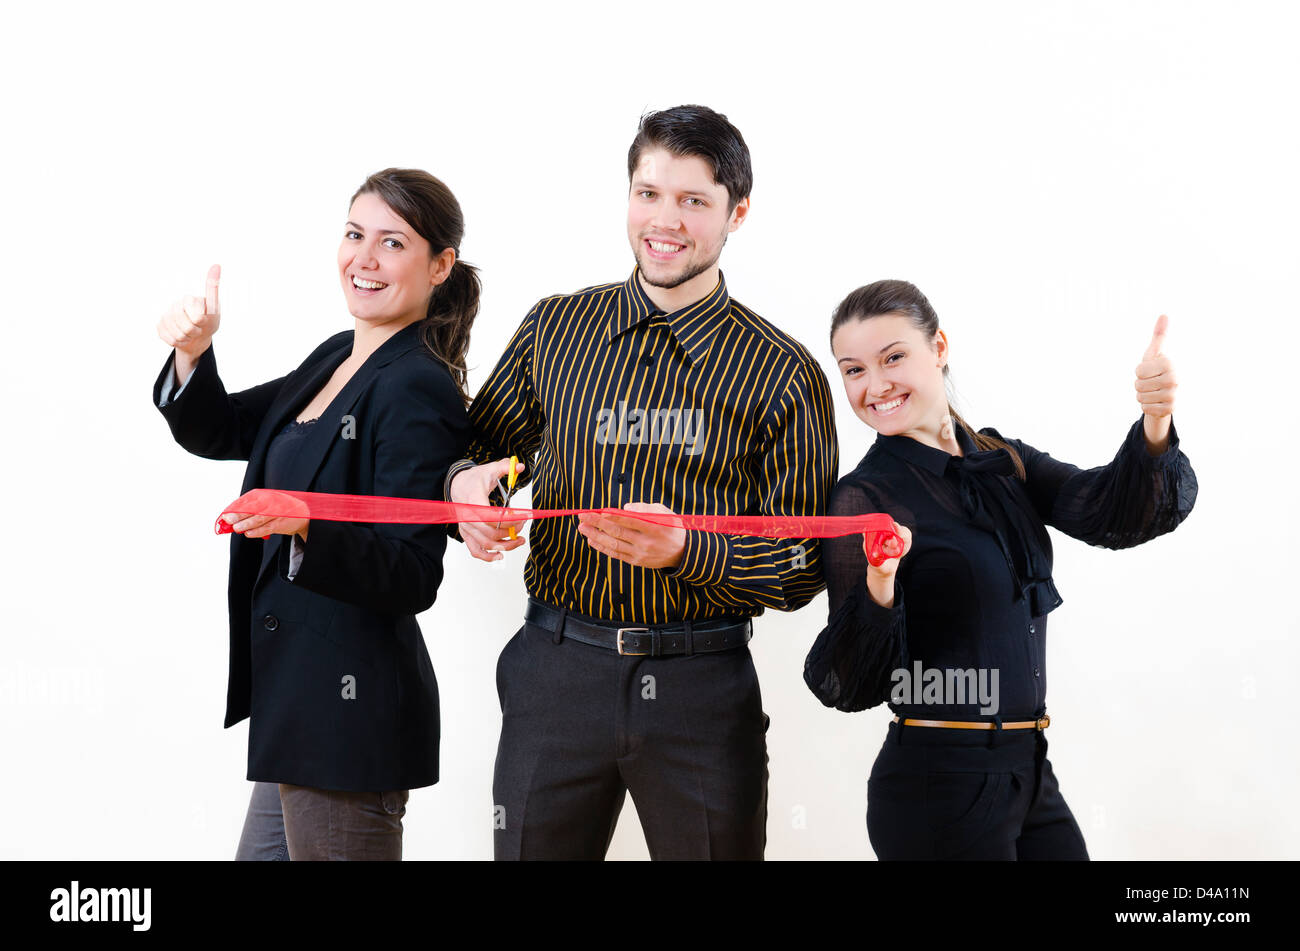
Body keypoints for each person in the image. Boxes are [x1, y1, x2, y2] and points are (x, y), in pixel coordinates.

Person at [444, 105, 839, 860]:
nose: (665, 220)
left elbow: (805, 562)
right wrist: (468, 486)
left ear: (737, 213)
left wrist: (690, 551)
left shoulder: (784, 374)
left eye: (694, 200)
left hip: (701, 687)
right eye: (648, 192)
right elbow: (481, 450)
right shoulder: (555, 329)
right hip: (554, 673)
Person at [805, 279, 1196, 860]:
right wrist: (881, 585)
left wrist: (1155, 422)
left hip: (1030, 769)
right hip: (937, 784)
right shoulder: (864, 496)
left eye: (893, 358)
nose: (875, 385)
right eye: (853, 370)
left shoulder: (1003, 459)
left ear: (938, 346)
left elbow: (1110, 512)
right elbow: (847, 680)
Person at [152, 169, 477, 860]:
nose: (364, 258)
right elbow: (223, 428)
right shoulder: (338, 354)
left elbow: (414, 573)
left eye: (392, 243)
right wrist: (192, 351)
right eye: (355, 234)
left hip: (348, 721)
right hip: (298, 710)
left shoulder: (417, 388)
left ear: (440, 265)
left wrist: (306, 522)